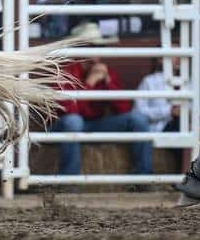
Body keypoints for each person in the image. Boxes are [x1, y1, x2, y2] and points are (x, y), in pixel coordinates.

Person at [51, 22, 152, 178]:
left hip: (96, 124)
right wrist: (90, 83)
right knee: (74, 122)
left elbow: (124, 109)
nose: (95, 53)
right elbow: (70, 112)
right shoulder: (65, 73)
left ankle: (143, 178)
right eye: (90, 47)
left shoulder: (105, 72)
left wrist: (108, 82)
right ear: (79, 50)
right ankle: (69, 180)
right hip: (63, 126)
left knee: (137, 119)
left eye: (98, 48)